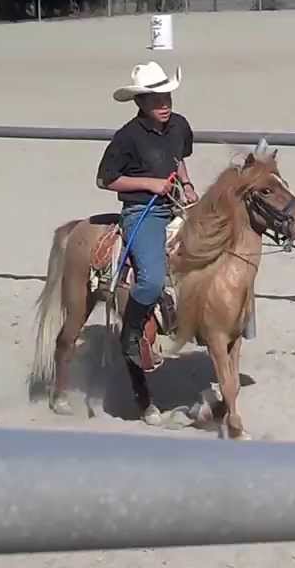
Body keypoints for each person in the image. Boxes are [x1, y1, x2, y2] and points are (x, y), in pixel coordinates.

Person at [96, 61, 199, 374]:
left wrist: (188, 185)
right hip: (143, 210)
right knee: (152, 280)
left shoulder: (179, 125)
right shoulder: (126, 137)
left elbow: (177, 158)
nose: (164, 104)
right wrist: (149, 184)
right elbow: (105, 180)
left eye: (167, 96)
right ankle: (131, 333)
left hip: (176, 203)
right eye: (156, 99)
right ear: (139, 102)